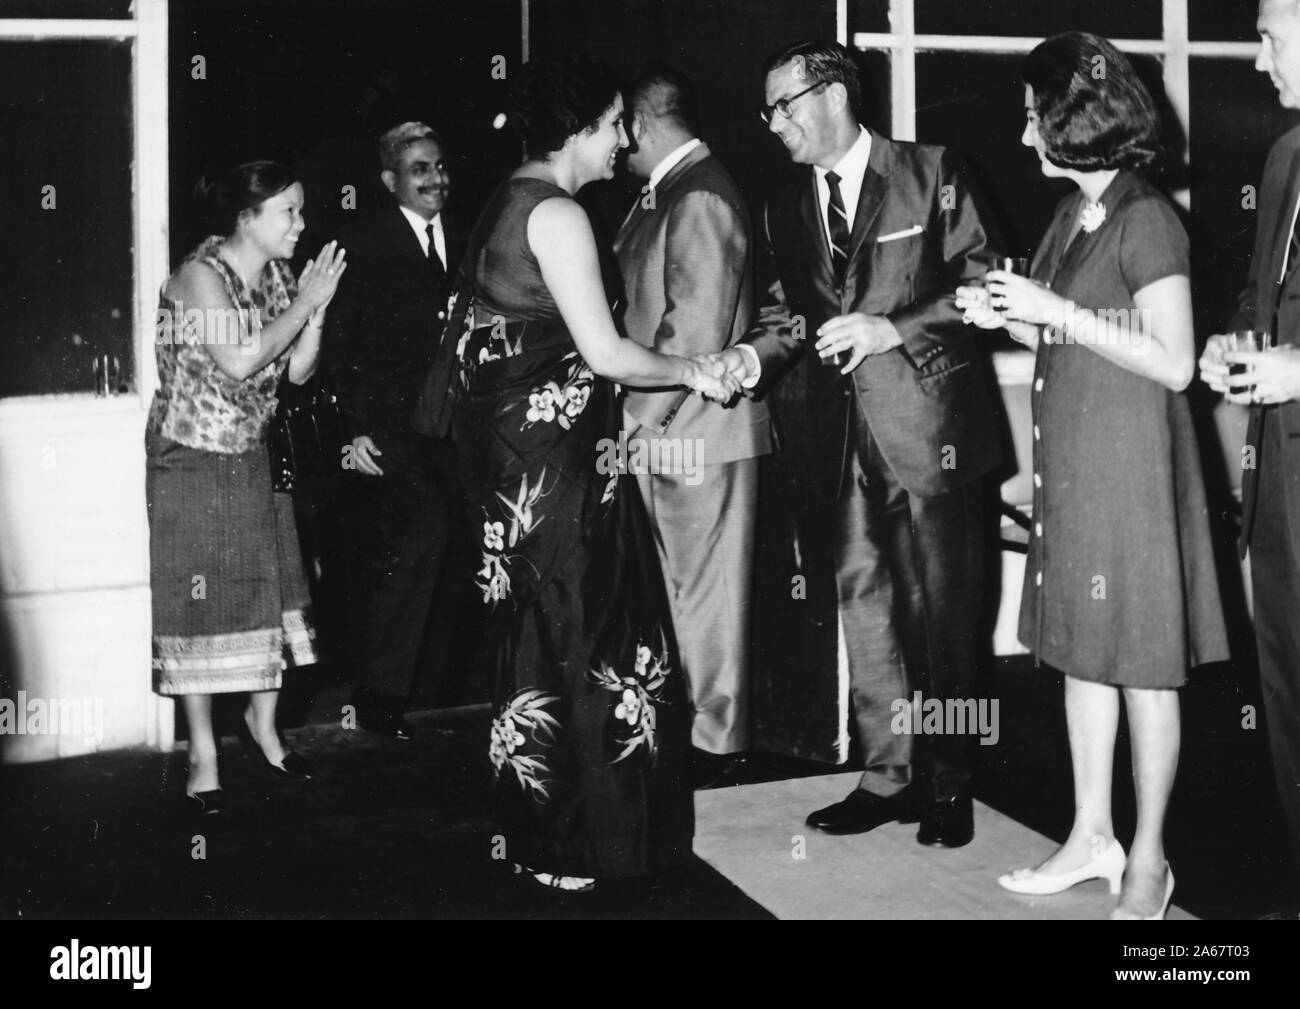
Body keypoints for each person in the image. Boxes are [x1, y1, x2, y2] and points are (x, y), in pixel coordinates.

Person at [419, 54, 734, 892]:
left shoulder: (506, 195)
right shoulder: (556, 214)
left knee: (539, 642)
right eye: (612, 125)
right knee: (587, 641)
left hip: (514, 475)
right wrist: (701, 370)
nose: (621, 140)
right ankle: (584, 846)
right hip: (553, 478)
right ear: (581, 128)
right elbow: (607, 354)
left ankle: (540, 839)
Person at [958, 32, 1228, 919]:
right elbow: (1064, 336)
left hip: (1134, 480)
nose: (1027, 137)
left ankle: (1150, 856)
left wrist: (1056, 310)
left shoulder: (1146, 216)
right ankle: (1091, 834)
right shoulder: (1076, 212)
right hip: (1078, 473)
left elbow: (1177, 360)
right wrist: (1007, 311)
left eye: (1037, 118)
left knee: (1143, 669)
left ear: (1080, 121)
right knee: (1081, 658)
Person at [715, 39, 1001, 847]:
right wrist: (747, 355)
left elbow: (983, 286)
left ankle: (949, 782)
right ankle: (887, 774)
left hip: (932, 434)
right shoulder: (781, 208)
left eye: (783, 105)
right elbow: (785, 319)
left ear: (834, 96)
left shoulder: (932, 171)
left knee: (946, 618)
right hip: (834, 441)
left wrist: (893, 328)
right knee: (866, 608)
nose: (773, 123)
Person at [147, 161, 348, 812]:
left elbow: (294, 374)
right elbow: (239, 359)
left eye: (300, 209)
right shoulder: (199, 275)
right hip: (195, 459)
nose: (301, 222)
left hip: (254, 454)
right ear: (246, 217)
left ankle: (264, 726)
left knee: (274, 592)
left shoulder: (283, 275)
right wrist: (303, 305)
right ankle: (203, 751)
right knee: (201, 606)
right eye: (287, 211)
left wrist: (312, 313)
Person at [613, 64, 774, 776]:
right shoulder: (670, 192)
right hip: (674, 430)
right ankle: (698, 737)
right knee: (682, 591)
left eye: (622, 129)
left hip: (698, 433)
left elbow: (695, 330)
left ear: (644, 124)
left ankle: (718, 749)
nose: (617, 144)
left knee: (706, 595)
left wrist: (632, 420)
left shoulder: (700, 195)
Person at [1199, 0, 1300, 905]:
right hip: (1280, 490)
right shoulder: (1283, 159)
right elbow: (1258, 294)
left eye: (1271, 33)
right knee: (1287, 694)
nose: (1258, 58)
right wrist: (1232, 343)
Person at [327, 122, 468, 740]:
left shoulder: (469, 237)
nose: (436, 179)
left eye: (439, 166)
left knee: (453, 543)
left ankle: (436, 696)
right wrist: (351, 432)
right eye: (420, 170)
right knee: (421, 535)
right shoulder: (360, 245)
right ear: (390, 182)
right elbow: (338, 348)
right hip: (390, 426)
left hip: (458, 426)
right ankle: (377, 694)